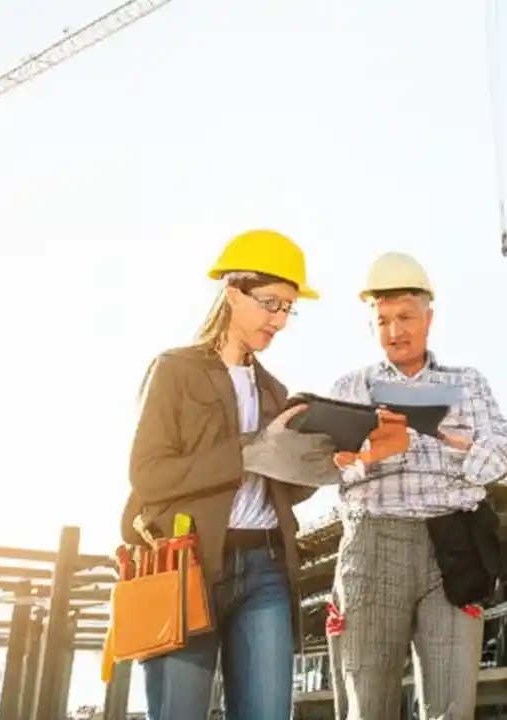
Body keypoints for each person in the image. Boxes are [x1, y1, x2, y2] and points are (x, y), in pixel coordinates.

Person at [121, 229, 409, 720]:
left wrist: (337, 461)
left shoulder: (276, 392)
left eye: (288, 309)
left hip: (265, 567)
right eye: (270, 303)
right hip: (186, 566)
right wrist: (248, 453)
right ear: (233, 292)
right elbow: (149, 476)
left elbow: (282, 487)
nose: (279, 320)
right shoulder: (175, 371)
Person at [324, 251, 507, 720]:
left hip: (453, 544)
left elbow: (497, 458)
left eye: (406, 317)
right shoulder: (352, 388)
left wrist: (445, 439)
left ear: (429, 318)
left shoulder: (466, 384)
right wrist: (370, 455)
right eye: (383, 320)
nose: (395, 331)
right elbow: (332, 472)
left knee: (452, 707)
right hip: (372, 545)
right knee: (367, 705)